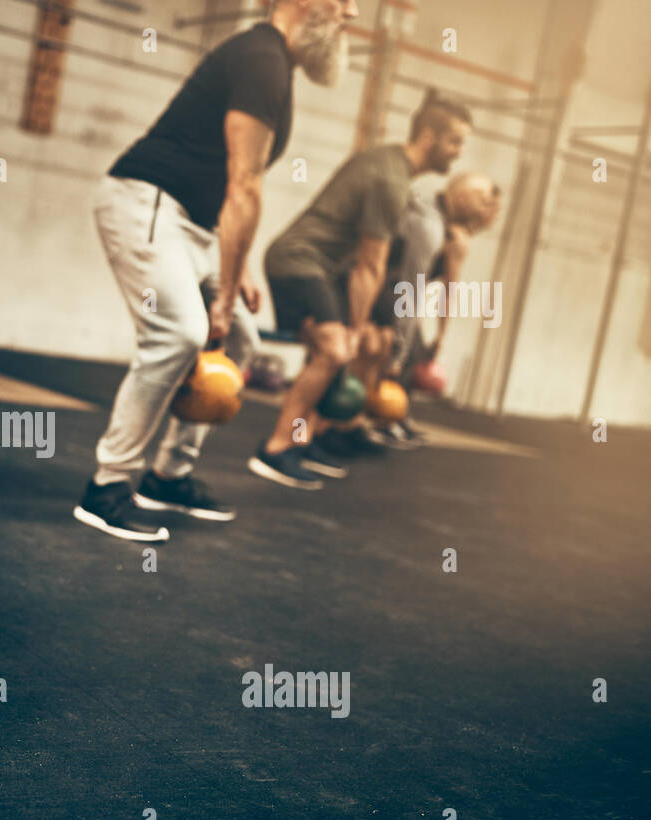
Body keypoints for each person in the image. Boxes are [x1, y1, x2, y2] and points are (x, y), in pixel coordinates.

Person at [74, 0, 359, 543]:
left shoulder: (278, 64)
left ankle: (169, 476)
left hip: (195, 227)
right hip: (146, 202)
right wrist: (223, 295)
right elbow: (245, 186)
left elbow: (234, 182)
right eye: (344, 1)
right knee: (179, 334)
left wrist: (239, 268)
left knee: (242, 345)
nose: (352, 13)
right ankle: (107, 488)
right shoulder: (261, 58)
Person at [248, 89, 472, 490]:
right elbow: (370, 265)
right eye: (454, 142)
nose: (457, 153)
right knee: (336, 350)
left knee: (332, 353)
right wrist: (353, 328)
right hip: (298, 260)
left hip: (314, 264)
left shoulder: (391, 167)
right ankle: (276, 448)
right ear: (427, 136)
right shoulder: (390, 180)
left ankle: (305, 438)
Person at [378, 172, 503, 447]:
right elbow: (444, 290)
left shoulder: (444, 223)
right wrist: (441, 337)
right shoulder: (444, 231)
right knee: (405, 355)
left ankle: (395, 417)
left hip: (394, 289)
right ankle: (384, 420)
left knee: (412, 352)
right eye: (484, 204)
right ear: (462, 198)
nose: (489, 214)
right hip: (386, 289)